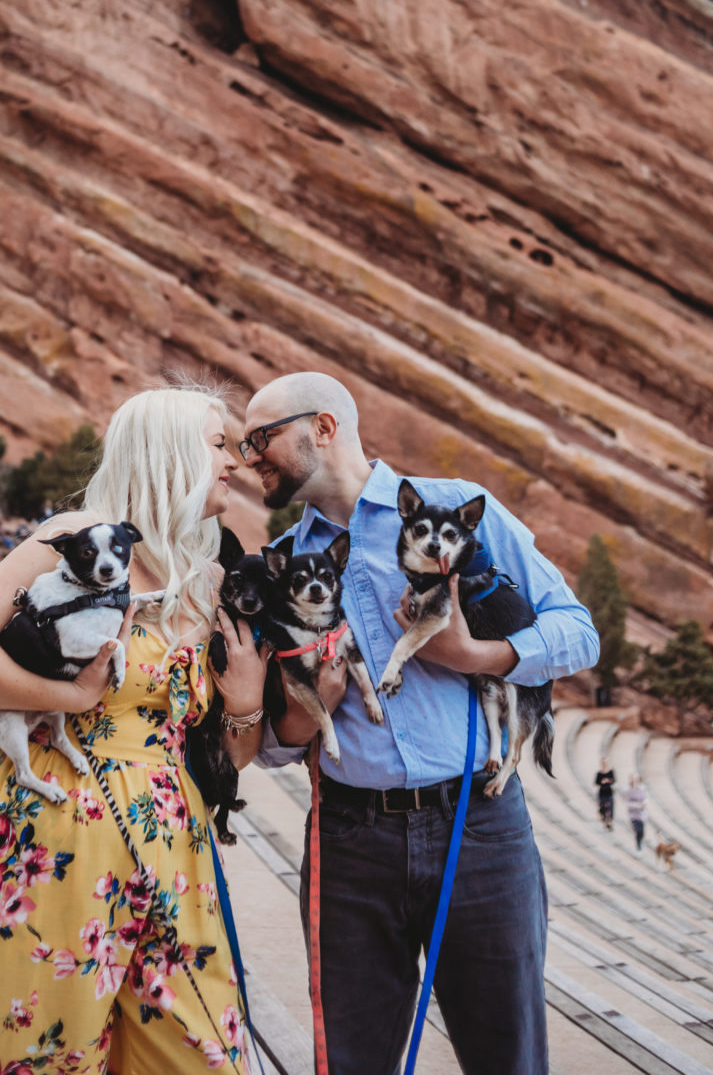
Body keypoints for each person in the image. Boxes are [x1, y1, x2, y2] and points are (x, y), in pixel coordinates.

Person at [245, 372, 599, 1075]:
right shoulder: (282, 566)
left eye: (261, 439)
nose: (251, 457)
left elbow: (579, 633)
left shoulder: (459, 510)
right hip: (349, 838)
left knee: (509, 1056)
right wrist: (301, 707)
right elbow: (272, 751)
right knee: (350, 1061)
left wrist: (476, 653)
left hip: (478, 826)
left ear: (323, 428)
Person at [0, 386, 267, 1073]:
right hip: (54, 830)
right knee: (48, 1053)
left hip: (176, 843)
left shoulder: (208, 581)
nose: (231, 462)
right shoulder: (79, 539)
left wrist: (247, 702)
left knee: (201, 1054)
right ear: (169, 453)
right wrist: (67, 695)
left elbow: (236, 755)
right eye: (217, 443)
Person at [623, 772, 648, 850]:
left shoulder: (642, 788)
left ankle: (640, 841)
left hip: (641, 813)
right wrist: (637, 806)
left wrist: (644, 804)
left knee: (642, 831)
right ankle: (638, 845)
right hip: (633, 813)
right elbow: (627, 802)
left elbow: (645, 798)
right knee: (637, 829)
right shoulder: (628, 790)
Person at [595, 757, 615, 830]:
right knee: (602, 808)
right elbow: (596, 782)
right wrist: (602, 782)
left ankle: (609, 822)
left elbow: (613, 780)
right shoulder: (599, 773)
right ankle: (604, 819)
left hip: (609, 792)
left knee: (610, 808)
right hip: (602, 793)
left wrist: (608, 781)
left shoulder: (610, 772)